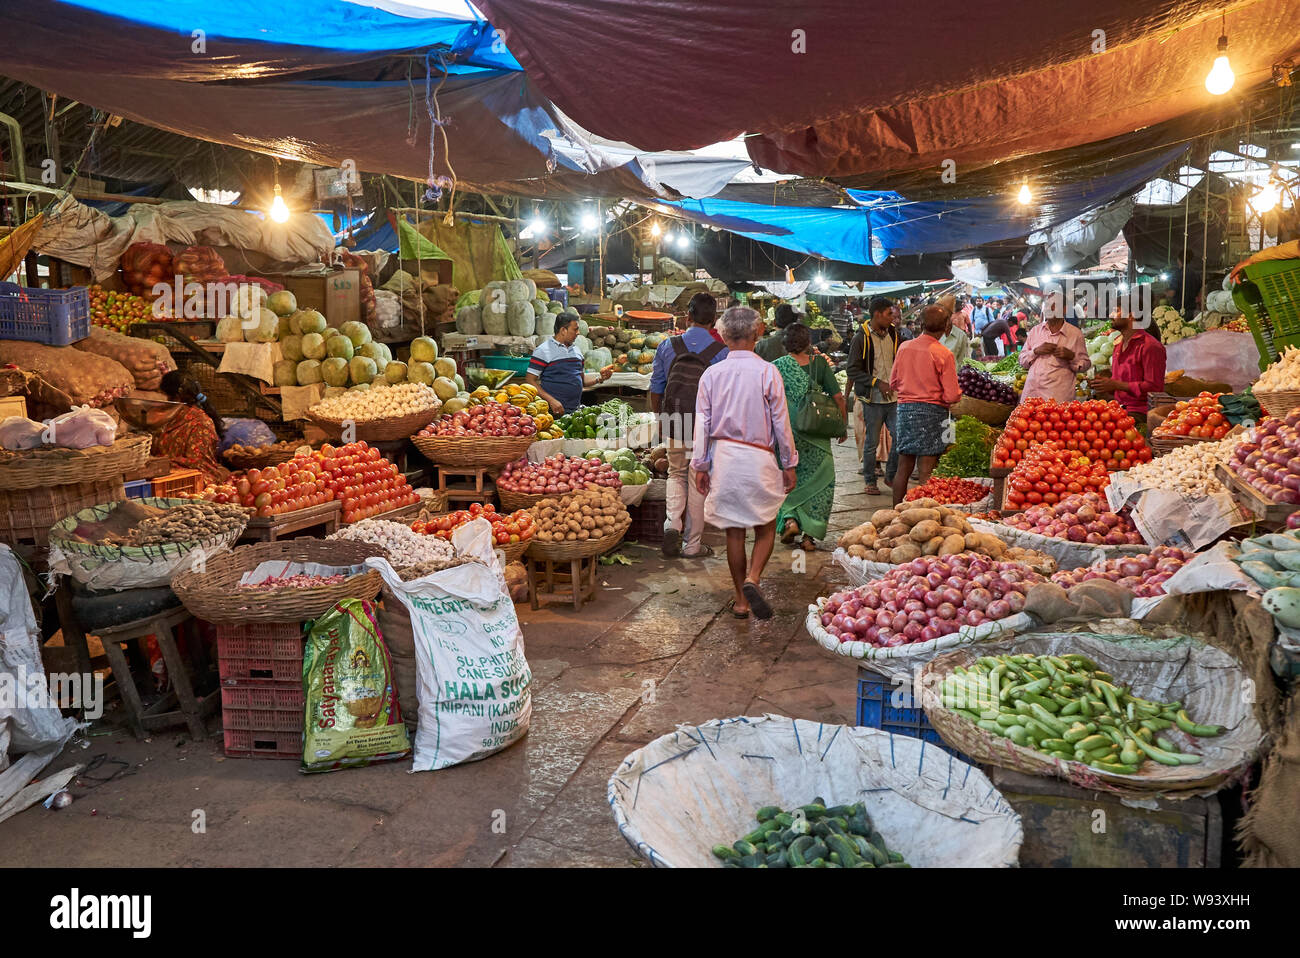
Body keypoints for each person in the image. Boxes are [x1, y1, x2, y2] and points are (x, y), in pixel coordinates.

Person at [691, 307, 798, 620]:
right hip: (759, 457)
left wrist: (700, 464)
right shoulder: (768, 372)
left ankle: (740, 600)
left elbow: (702, 423)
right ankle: (753, 578)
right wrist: (789, 462)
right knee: (765, 527)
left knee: (734, 533)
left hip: (724, 459)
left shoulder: (711, 374)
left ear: (723, 336)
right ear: (758, 333)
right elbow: (781, 422)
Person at [649, 291, 728, 559]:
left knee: (676, 473)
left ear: (688, 316)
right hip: (704, 425)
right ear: (714, 320)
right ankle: (692, 545)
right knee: (698, 481)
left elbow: (656, 388)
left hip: (675, 419)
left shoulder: (667, 346)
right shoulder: (722, 352)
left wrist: (661, 419)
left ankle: (672, 524)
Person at [773, 323, 846, 551]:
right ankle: (808, 536)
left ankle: (790, 519)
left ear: (785, 343)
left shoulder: (776, 367)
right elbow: (838, 398)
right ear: (808, 343)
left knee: (787, 478)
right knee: (821, 481)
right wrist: (842, 426)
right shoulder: (819, 364)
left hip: (787, 433)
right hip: (816, 431)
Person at [888, 306, 961, 505]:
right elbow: (952, 395)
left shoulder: (904, 348)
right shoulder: (944, 354)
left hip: (905, 411)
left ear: (921, 324)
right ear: (947, 326)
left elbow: (893, 382)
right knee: (926, 470)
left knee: (903, 467)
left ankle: (896, 512)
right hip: (932, 413)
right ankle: (924, 516)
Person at [845, 296, 900, 496]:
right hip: (872, 399)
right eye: (888, 314)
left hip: (893, 398)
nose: (891, 318)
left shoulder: (894, 334)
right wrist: (877, 383)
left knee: (900, 437)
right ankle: (870, 480)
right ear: (877, 314)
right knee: (871, 443)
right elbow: (852, 370)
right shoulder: (861, 338)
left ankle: (890, 475)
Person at [1089, 308, 1167, 429]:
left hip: (1140, 413)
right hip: (1118, 407)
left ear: (1131, 315)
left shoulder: (1150, 346)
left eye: (1116, 311)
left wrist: (1116, 385)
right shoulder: (1118, 344)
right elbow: (1117, 384)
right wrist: (1103, 384)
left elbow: (1155, 387)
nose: (1111, 315)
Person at [526, 314, 611, 415]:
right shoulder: (543, 350)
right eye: (575, 329)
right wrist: (552, 401)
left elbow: (581, 380)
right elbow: (530, 381)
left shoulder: (576, 350)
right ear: (563, 330)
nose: (578, 333)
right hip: (552, 411)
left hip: (575, 411)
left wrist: (600, 379)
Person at [157, 370, 228, 483]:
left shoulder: (200, 424)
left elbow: (197, 463)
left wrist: (161, 463)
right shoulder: (171, 418)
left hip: (198, 481)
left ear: (176, 397)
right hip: (168, 475)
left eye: (162, 395)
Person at [1018, 300, 1091, 403]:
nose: (1048, 309)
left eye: (1052, 306)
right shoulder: (1035, 331)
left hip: (1057, 397)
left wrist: (1071, 356)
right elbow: (1022, 360)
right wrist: (1035, 351)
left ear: (1064, 309)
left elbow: (1086, 364)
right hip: (1031, 394)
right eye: (1046, 306)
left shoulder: (1075, 334)